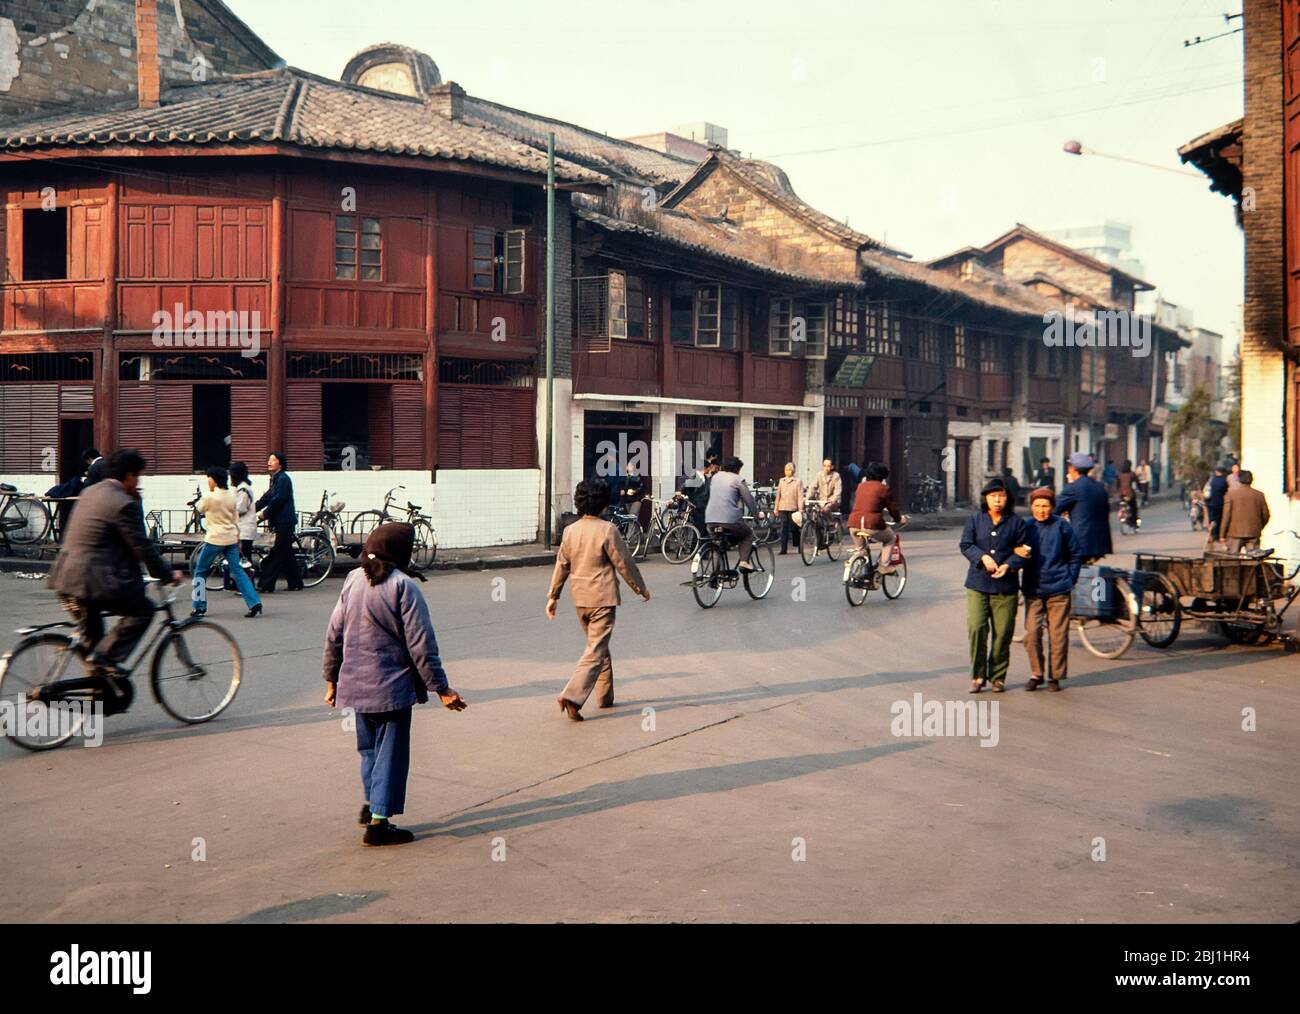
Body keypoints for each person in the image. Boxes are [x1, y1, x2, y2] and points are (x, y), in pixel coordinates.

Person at [323, 522, 466, 846]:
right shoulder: (403, 586)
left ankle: (373, 802)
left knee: (369, 751)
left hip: (356, 686)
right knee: (390, 754)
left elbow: (334, 634)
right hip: (391, 689)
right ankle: (379, 823)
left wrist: (331, 680)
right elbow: (421, 644)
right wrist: (441, 688)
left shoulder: (353, 578)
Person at [43, 449, 181, 714]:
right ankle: (105, 661)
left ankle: (101, 695)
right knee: (143, 610)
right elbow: (141, 546)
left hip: (65, 579)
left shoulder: (90, 492)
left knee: (94, 643)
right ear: (129, 476)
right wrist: (167, 573)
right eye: (137, 477)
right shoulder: (123, 503)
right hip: (91, 581)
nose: (138, 482)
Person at [546, 479, 649, 721]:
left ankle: (605, 696)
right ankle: (572, 696)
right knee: (595, 649)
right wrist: (640, 588)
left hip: (580, 600)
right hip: (602, 599)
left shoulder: (570, 531)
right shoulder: (607, 530)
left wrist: (553, 596)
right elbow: (624, 563)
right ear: (603, 504)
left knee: (598, 646)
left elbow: (562, 565)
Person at [959, 477, 1027, 694]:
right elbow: (966, 545)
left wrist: (1009, 565)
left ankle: (998, 676)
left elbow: (1024, 550)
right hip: (978, 584)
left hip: (1005, 587)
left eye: (1001, 496)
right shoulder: (975, 520)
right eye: (993, 496)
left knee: (1003, 633)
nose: (997, 500)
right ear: (986, 499)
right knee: (977, 628)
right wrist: (982, 557)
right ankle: (978, 675)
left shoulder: (1017, 522)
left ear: (1008, 498)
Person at [1019, 487, 1083, 692]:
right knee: (1032, 633)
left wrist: (1070, 578)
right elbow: (1016, 551)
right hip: (1033, 589)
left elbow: (1075, 554)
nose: (1041, 510)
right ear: (1031, 507)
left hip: (1059, 589)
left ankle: (1055, 676)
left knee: (1058, 635)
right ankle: (1036, 673)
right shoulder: (1026, 527)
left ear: (1053, 507)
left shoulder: (1061, 525)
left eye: (1045, 506)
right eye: (1037, 506)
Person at [190, 466, 262, 619]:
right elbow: (235, 518)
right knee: (238, 571)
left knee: (200, 571)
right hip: (231, 538)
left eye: (209, 478)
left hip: (215, 539)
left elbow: (199, 507)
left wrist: (207, 495)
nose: (208, 481)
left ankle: (199, 606)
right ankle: (254, 602)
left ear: (214, 480)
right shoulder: (231, 496)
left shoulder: (210, 497)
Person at [255, 451, 303, 592]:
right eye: (269, 460)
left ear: (280, 464)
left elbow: (278, 499)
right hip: (281, 521)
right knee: (286, 552)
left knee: (277, 553)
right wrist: (253, 508)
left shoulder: (283, 479)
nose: (269, 462)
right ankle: (295, 582)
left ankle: (266, 584)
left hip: (285, 521)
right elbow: (267, 497)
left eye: (273, 460)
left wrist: (265, 514)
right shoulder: (276, 478)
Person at [704, 455, 761, 570]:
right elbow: (748, 500)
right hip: (729, 520)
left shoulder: (715, 477)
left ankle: (715, 574)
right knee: (747, 535)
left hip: (710, 518)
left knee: (717, 544)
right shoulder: (738, 479)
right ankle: (744, 562)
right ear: (737, 469)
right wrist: (757, 515)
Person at [1054, 452, 1112, 563]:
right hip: (1100, 542)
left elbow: (1054, 510)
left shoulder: (1073, 488)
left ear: (1072, 469)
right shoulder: (1100, 487)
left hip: (1081, 541)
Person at [846, 461, 903, 574]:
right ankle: (884, 567)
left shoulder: (861, 486)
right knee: (890, 538)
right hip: (872, 525)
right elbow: (893, 509)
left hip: (853, 524)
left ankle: (859, 572)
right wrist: (900, 519)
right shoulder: (883, 489)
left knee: (861, 550)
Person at [226, 460, 259, 590]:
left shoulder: (243, 489)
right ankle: (240, 584)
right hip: (243, 529)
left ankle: (248, 586)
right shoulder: (241, 488)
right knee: (241, 558)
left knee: (244, 559)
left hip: (245, 529)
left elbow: (240, 508)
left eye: (231, 474)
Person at [1220, 470, 1270, 554]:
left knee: (1233, 558)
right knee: (1254, 558)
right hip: (1253, 532)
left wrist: (1222, 534)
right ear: (1252, 480)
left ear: (1239, 480)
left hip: (1234, 533)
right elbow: (1266, 515)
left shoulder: (1231, 494)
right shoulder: (1259, 495)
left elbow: (1226, 516)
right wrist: (1259, 526)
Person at [775, 461, 804, 555]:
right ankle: (783, 549)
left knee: (794, 529)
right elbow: (778, 495)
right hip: (783, 508)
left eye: (789, 469)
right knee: (783, 529)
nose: (787, 471)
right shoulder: (781, 481)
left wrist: (800, 509)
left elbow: (800, 496)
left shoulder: (798, 481)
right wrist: (776, 508)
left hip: (793, 508)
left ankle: (799, 545)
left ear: (793, 471)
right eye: (786, 470)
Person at [1205, 465, 1229, 548]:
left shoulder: (1212, 481)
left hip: (1210, 503)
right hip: (1220, 504)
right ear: (1223, 472)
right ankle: (1217, 535)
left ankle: (1211, 534)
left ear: (1216, 472)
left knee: (1212, 519)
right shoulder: (1224, 481)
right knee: (1219, 520)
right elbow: (1226, 492)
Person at [1116, 459, 1141, 528]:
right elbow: (1137, 482)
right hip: (1129, 494)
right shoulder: (1131, 474)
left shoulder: (1119, 474)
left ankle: (1122, 513)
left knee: (1123, 504)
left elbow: (1117, 484)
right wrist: (1140, 489)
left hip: (1122, 494)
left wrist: (1119, 490)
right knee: (1134, 507)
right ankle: (1132, 521)